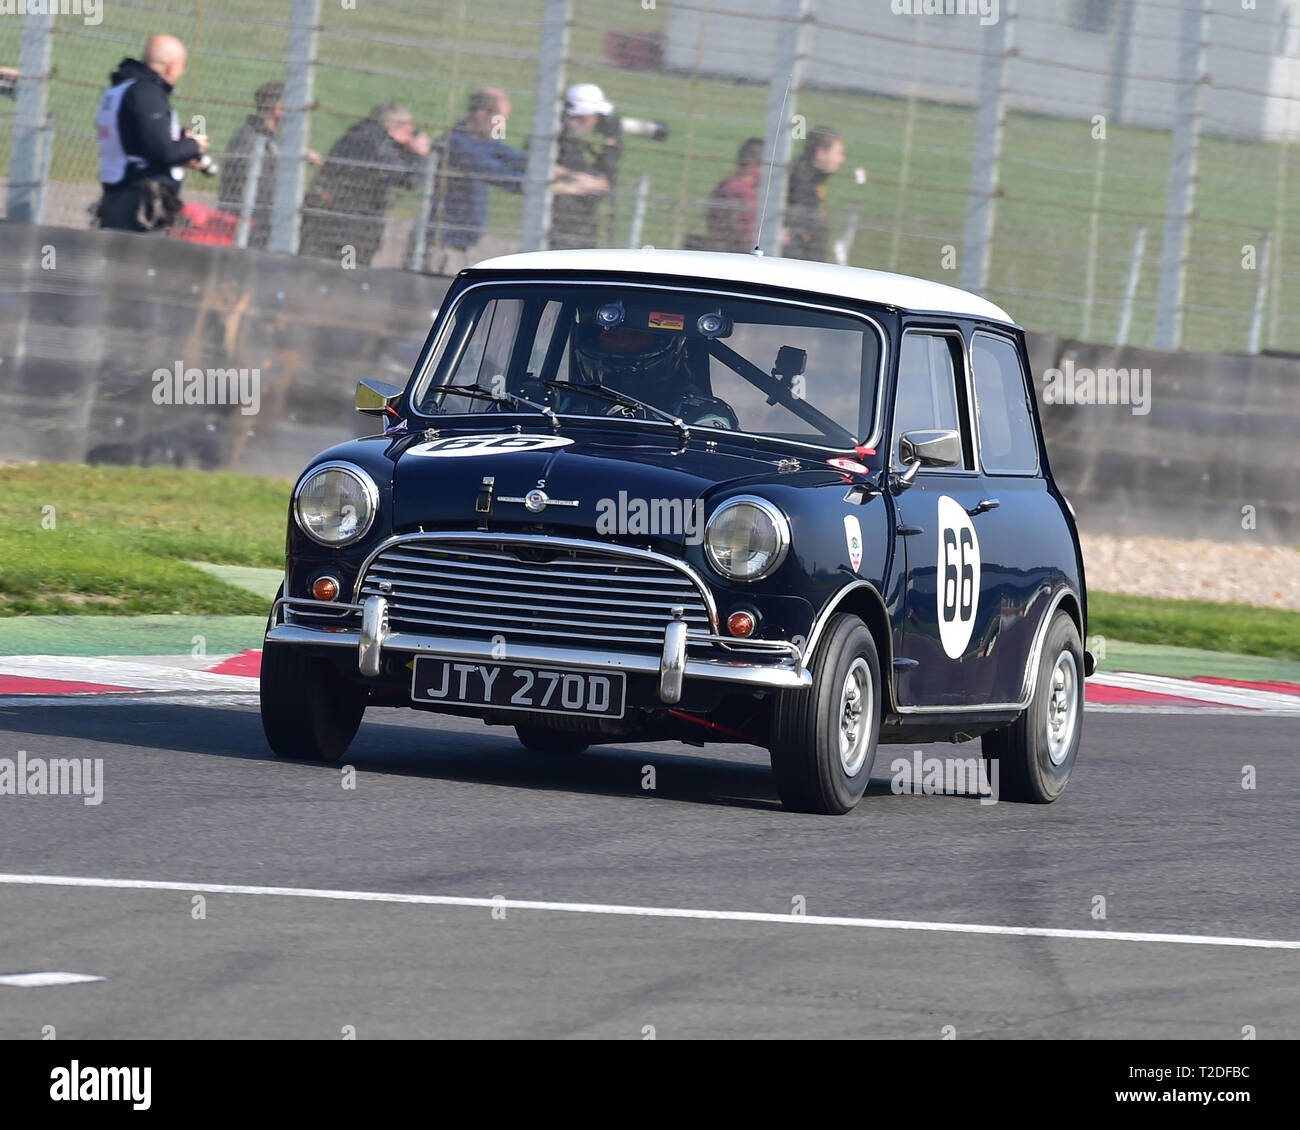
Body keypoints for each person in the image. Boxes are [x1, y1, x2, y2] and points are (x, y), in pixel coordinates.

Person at [94, 34, 209, 233]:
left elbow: (136, 143)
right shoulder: (146, 92)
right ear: (172, 66)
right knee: (144, 263)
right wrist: (194, 145)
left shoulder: (121, 89)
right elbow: (162, 151)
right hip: (140, 202)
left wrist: (181, 148)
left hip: (118, 194)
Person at [298, 101, 431, 266]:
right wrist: (420, 155)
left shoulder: (362, 135)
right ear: (394, 128)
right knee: (346, 276)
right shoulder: (375, 143)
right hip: (346, 229)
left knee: (325, 272)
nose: (411, 137)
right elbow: (408, 180)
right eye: (409, 131)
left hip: (337, 221)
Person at [420, 87, 528, 273]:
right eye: (499, 118)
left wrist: (559, 171)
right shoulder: (458, 143)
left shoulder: (483, 142)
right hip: (443, 244)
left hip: (460, 243)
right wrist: (541, 185)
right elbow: (499, 174)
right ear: (481, 113)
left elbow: (516, 159)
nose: (501, 125)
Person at [550, 83, 622, 250]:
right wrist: (611, 147)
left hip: (561, 230)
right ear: (588, 116)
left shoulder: (558, 137)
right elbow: (601, 186)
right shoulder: (566, 143)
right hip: (569, 233)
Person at [782, 126, 845, 262]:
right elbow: (795, 238)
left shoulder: (811, 181)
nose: (841, 160)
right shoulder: (802, 187)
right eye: (838, 153)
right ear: (821, 153)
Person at [704, 137, 764, 253]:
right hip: (735, 257)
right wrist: (774, 239)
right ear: (752, 166)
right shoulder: (742, 194)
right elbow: (745, 239)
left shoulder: (726, 184)